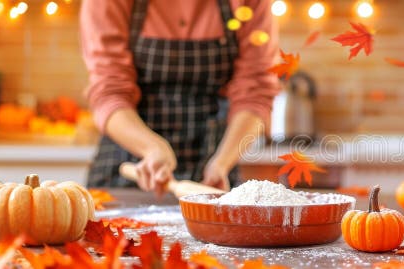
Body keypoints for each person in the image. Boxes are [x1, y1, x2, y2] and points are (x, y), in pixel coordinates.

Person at [80, 0, 278, 194]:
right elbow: (109, 91)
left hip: (216, 168)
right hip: (127, 164)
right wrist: (151, 147)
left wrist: (222, 162)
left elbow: (255, 94)